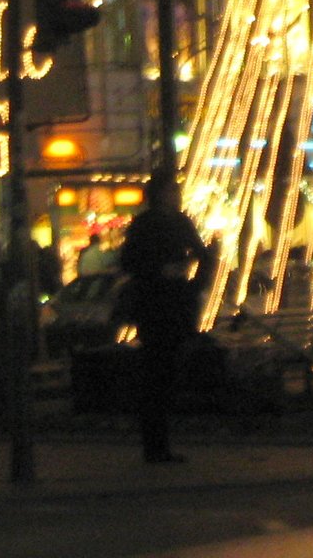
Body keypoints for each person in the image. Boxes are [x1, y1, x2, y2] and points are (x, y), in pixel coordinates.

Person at [118, 172, 208, 465]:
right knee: (157, 372)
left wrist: (192, 282)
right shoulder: (150, 224)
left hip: (170, 303)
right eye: (173, 191)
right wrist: (165, 272)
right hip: (158, 304)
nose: (177, 196)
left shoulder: (176, 222)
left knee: (163, 372)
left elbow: (203, 255)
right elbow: (130, 261)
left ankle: (158, 444)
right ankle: (155, 444)